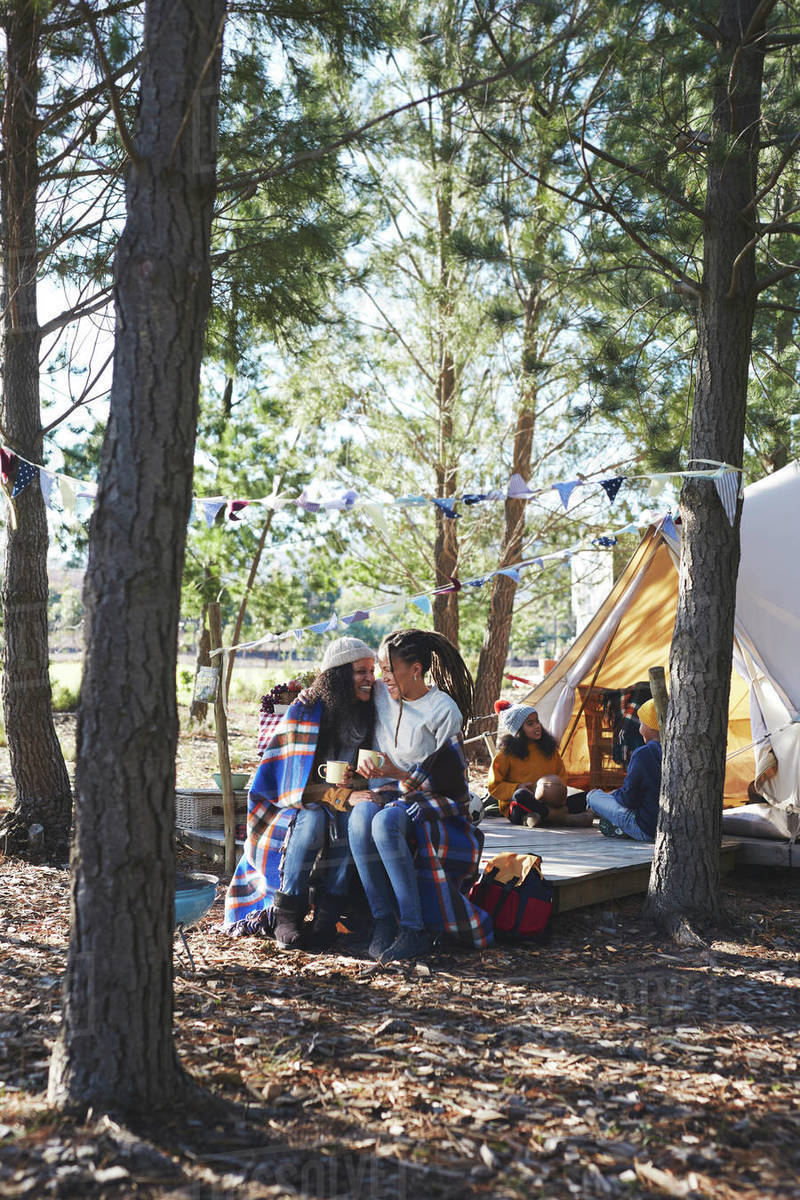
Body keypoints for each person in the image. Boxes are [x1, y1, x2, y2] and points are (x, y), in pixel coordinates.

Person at [348, 629, 493, 963]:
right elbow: (341, 688)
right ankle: (383, 920)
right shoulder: (382, 694)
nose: (382, 677)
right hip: (386, 790)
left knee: (384, 823)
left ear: (415, 669)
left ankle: (414, 929)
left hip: (429, 800)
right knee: (360, 817)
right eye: (381, 669)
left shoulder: (443, 710)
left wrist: (397, 773)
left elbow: (450, 780)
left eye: (389, 669)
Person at [224, 636, 377, 950]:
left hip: (346, 799)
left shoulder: (372, 712)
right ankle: (287, 913)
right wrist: (338, 796)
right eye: (361, 671)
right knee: (313, 819)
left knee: (351, 820)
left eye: (372, 671)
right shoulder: (306, 712)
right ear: (339, 676)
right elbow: (291, 787)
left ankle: (326, 917)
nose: (370, 678)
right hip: (296, 804)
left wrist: (354, 787)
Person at [487, 703, 590, 827]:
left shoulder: (549, 750)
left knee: (588, 796)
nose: (537, 726)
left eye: (537, 721)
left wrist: (556, 792)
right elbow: (494, 786)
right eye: (530, 724)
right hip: (522, 804)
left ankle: (539, 817)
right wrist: (517, 787)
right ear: (518, 729)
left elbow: (561, 776)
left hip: (551, 803)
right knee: (520, 795)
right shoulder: (506, 754)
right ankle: (562, 817)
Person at [587, 697, 662, 840]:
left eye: (641, 722)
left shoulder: (643, 754)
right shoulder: (677, 751)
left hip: (647, 830)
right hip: (669, 827)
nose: (639, 727)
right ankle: (618, 826)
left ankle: (618, 825)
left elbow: (629, 799)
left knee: (593, 796)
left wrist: (615, 795)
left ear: (650, 727)